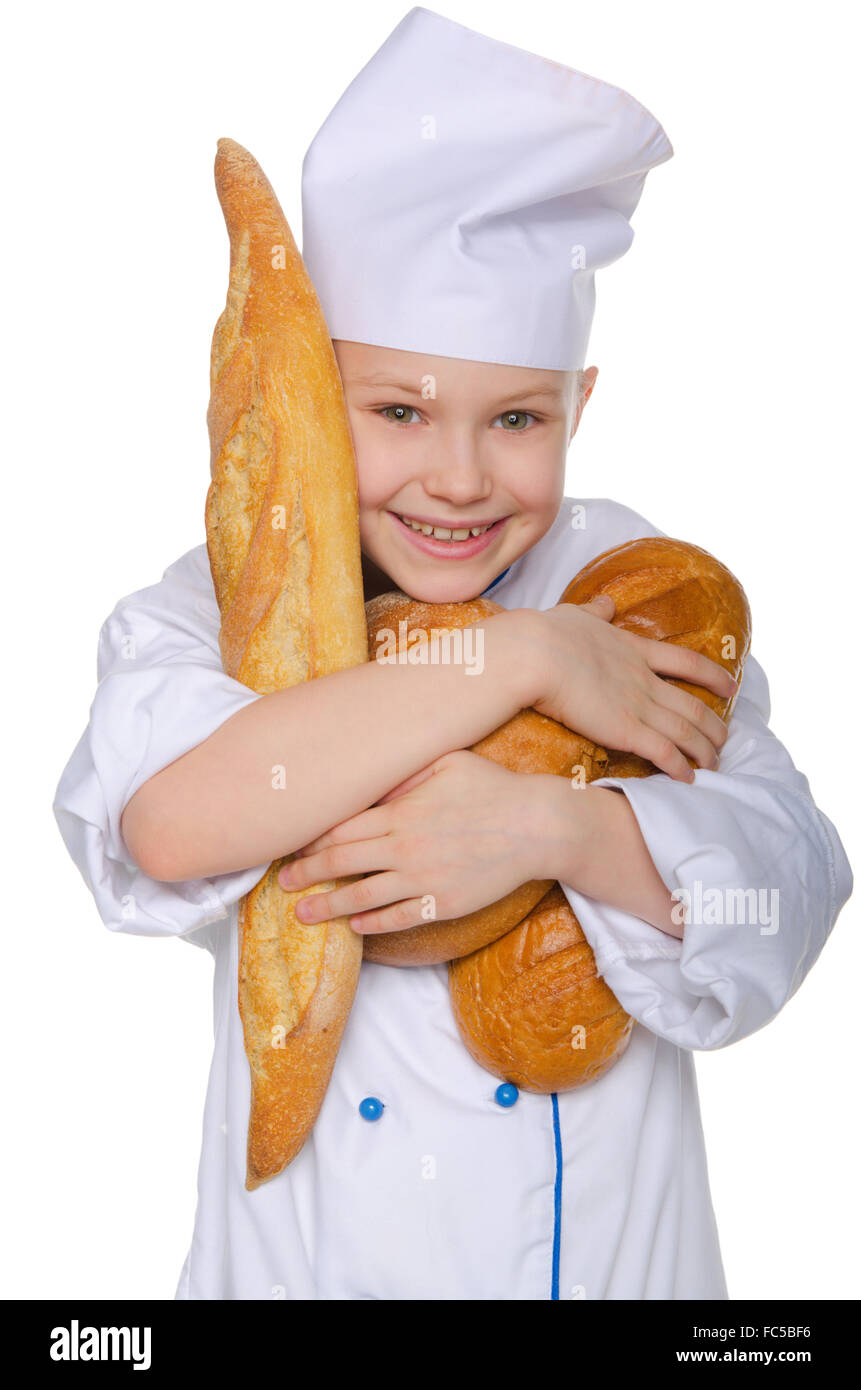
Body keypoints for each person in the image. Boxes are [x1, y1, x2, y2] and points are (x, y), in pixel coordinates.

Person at [53, 7, 852, 1300]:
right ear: (316, 392)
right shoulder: (219, 612)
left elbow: (791, 885)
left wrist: (558, 832)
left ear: (579, 402)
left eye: (518, 416)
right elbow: (168, 823)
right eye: (400, 410)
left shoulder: (629, 600)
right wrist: (522, 660)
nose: (462, 476)